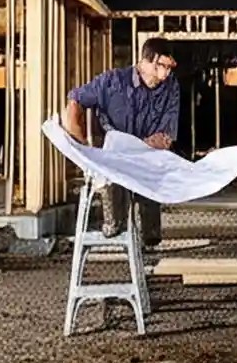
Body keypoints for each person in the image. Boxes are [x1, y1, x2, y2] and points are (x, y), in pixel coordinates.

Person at [63, 37, 179, 247]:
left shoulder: (170, 87)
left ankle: (149, 233)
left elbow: (165, 137)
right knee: (114, 171)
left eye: (170, 68)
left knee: (151, 170)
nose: (165, 75)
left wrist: (139, 147)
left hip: (146, 157)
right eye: (161, 67)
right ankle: (114, 223)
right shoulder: (112, 82)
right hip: (113, 158)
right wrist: (80, 146)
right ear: (145, 61)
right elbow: (75, 101)